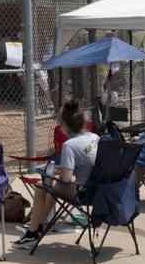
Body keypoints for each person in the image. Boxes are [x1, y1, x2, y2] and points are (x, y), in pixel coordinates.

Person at [13, 101, 99, 250]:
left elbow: (66, 179)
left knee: (42, 187)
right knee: (50, 187)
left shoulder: (70, 145)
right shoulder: (94, 137)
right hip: (98, 190)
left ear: (63, 124)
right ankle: (39, 227)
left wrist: (65, 176)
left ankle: (35, 230)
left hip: (83, 192)